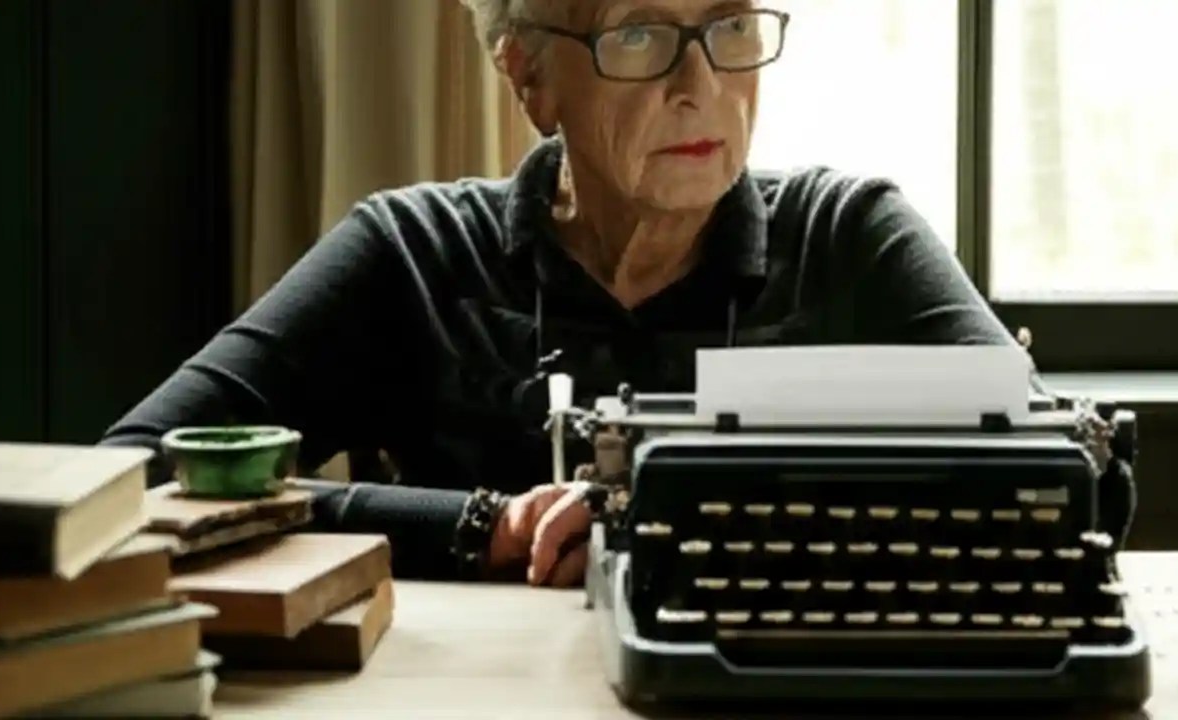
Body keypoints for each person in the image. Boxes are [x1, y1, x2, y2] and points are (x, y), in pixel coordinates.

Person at [101, 0, 1021, 587]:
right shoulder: (413, 252)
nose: (699, 86)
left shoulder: (849, 235)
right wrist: (474, 529)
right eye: (638, 35)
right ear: (529, 76)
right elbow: (133, 477)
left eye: (730, 25)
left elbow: (1081, 476)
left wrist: (684, 510)